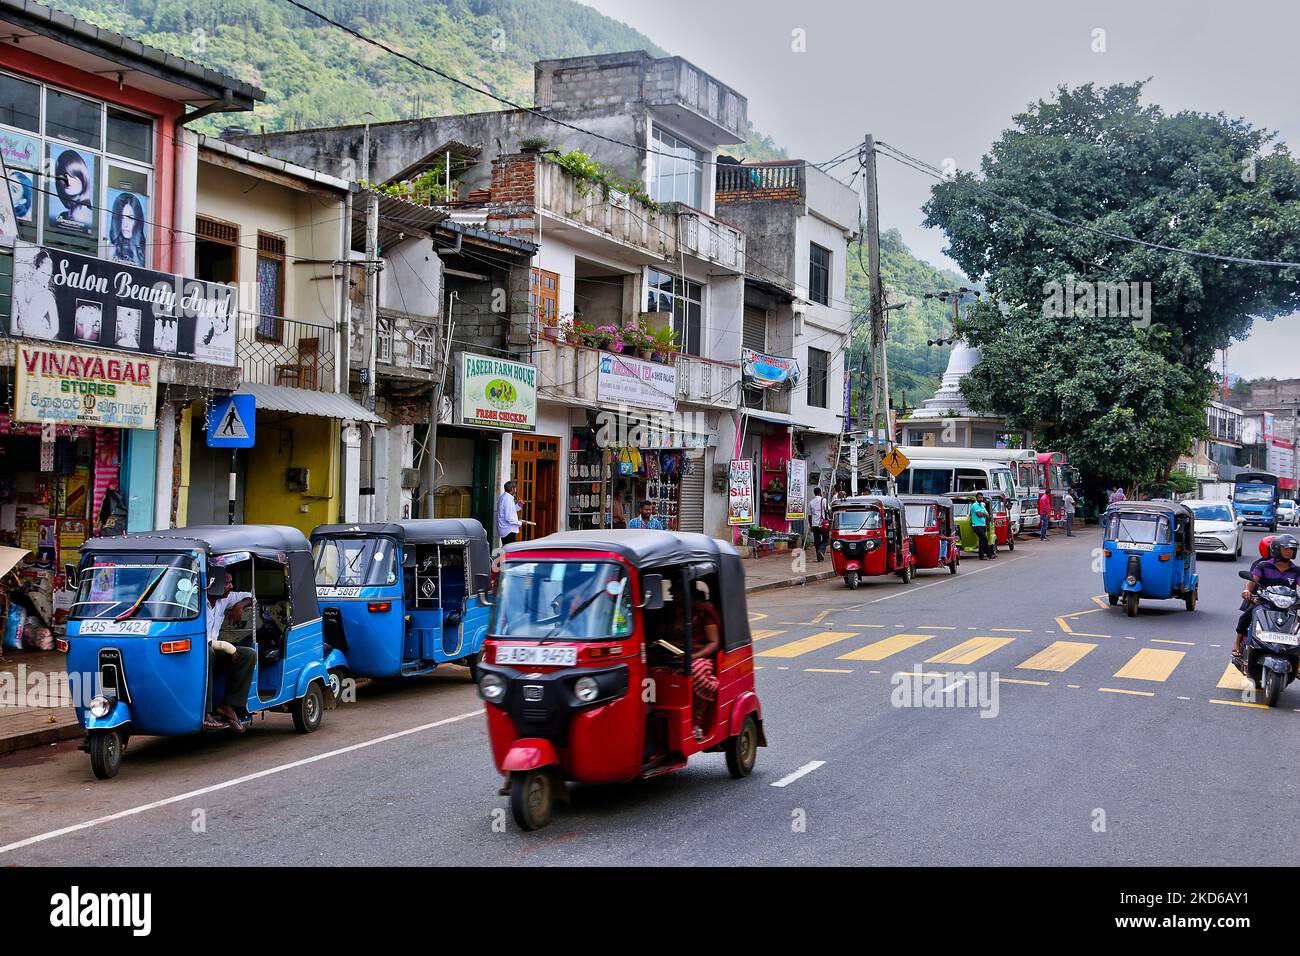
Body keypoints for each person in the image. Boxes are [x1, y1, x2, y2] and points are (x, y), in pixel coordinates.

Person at [1233, 533, 1300, 664]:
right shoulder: (1263, 565)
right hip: (1265, 603)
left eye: (1292, 549)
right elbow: (1253, 580)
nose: (1289, 551)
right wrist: (1247, 590)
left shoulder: (1296, 570)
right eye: (1286, 549)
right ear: (1276, 550)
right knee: (1247, 616)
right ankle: (1237, 642)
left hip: (1288, 607)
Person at [204, 568, 256, 732]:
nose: (231, 586)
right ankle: (206, 711)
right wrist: (227, 647)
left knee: (248, 655)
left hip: (215, 648)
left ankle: (230, 705)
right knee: (208, 654)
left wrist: (240, 605)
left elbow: (252, 596)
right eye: (227, 583)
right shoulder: (198, 601)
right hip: (199, 650)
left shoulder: (224, 599)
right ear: (214, 584)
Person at [12, 247, 59, 339]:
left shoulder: (48, 296)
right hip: (21, 337)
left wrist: (43, 341)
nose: (46, 278)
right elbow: (13, 316)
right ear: (34, 269)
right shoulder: (20, 287)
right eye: (43, 273)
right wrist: (16, 333)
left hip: (41, 336)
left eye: (48, 275)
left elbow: (54, 329)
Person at [107, 191, 146, 267]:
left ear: (138, 220)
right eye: (121, 218)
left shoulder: (146, 251)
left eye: (130, 218)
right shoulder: (112, 249)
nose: (125, 225)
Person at [497, 480, 524, 545]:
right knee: (509, 549)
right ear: (512, 489)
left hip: (506, 529)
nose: (516, 490)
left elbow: (511, 510)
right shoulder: (507, 499)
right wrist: (520, 523)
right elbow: (508, 518)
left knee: (507, 548)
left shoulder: (505, 497)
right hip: (508, 530)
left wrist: (519, 505)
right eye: (515, 488)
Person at [808, 487, 830, 562]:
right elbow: (828, 510)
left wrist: (810, 525)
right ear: (820, 492)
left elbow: (809, 516)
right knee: (826, 539)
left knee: (817, 541)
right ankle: (821, 550)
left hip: (814, 524)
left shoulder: (811, 502)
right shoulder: (823, 500)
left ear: (814, 493)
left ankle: (818, 557)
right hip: (823, 524)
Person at [970, 492, 992, 560]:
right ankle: (989, 554)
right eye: (979, 497)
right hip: (976, 525)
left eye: (981, 497)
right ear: (976, 498)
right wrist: (984, 514)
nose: (980, 498)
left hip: (983, 525)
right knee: (984, 539)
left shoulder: (982, 505)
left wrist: (983, 514)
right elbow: (979, 515)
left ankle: (981, 555)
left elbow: (987, 514)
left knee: (981, 540)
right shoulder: (974, 505)